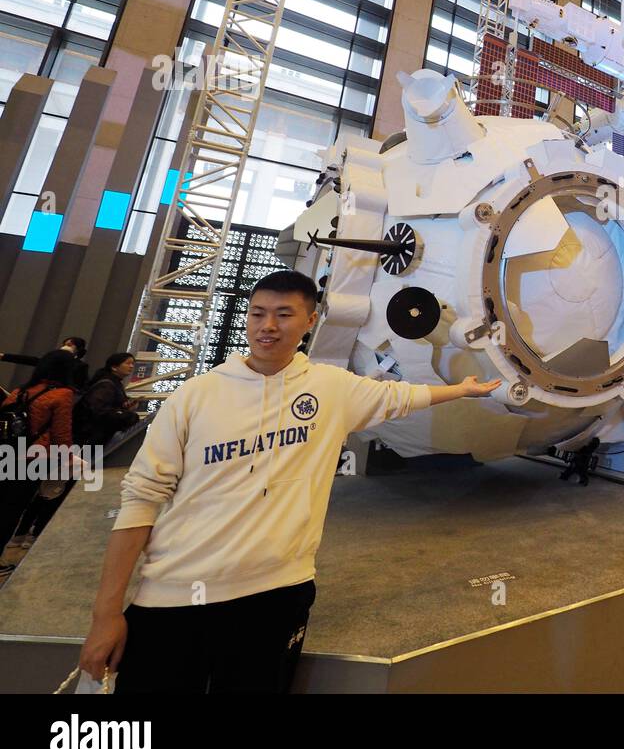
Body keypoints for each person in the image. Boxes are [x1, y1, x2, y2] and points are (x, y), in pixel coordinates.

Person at [76, 270, 502, 693]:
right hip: (173, 597)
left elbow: (401, 397)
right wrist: (106, 615)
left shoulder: (332, 388)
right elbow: (140, 499)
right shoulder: (195, 395)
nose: (268, 326)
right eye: (258, 313)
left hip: (278, 594)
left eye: (284, 314)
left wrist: (462, 389)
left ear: (311, 321)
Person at [0, 350, 79, 573]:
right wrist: (67, 461)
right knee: (10, 511)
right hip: (34, 460)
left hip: (6, 455)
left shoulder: (20, 391)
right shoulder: (62, 394)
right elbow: (61, 435)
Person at [74, 352, 140, 447]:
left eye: (133, 364)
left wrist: (125, 407)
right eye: (127, 363)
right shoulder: (107, 385)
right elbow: (97, 410)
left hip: (91, 435)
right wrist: (125, 415)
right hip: (89, 437)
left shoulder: (114, 383)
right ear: (114, 367)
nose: (131, 366)